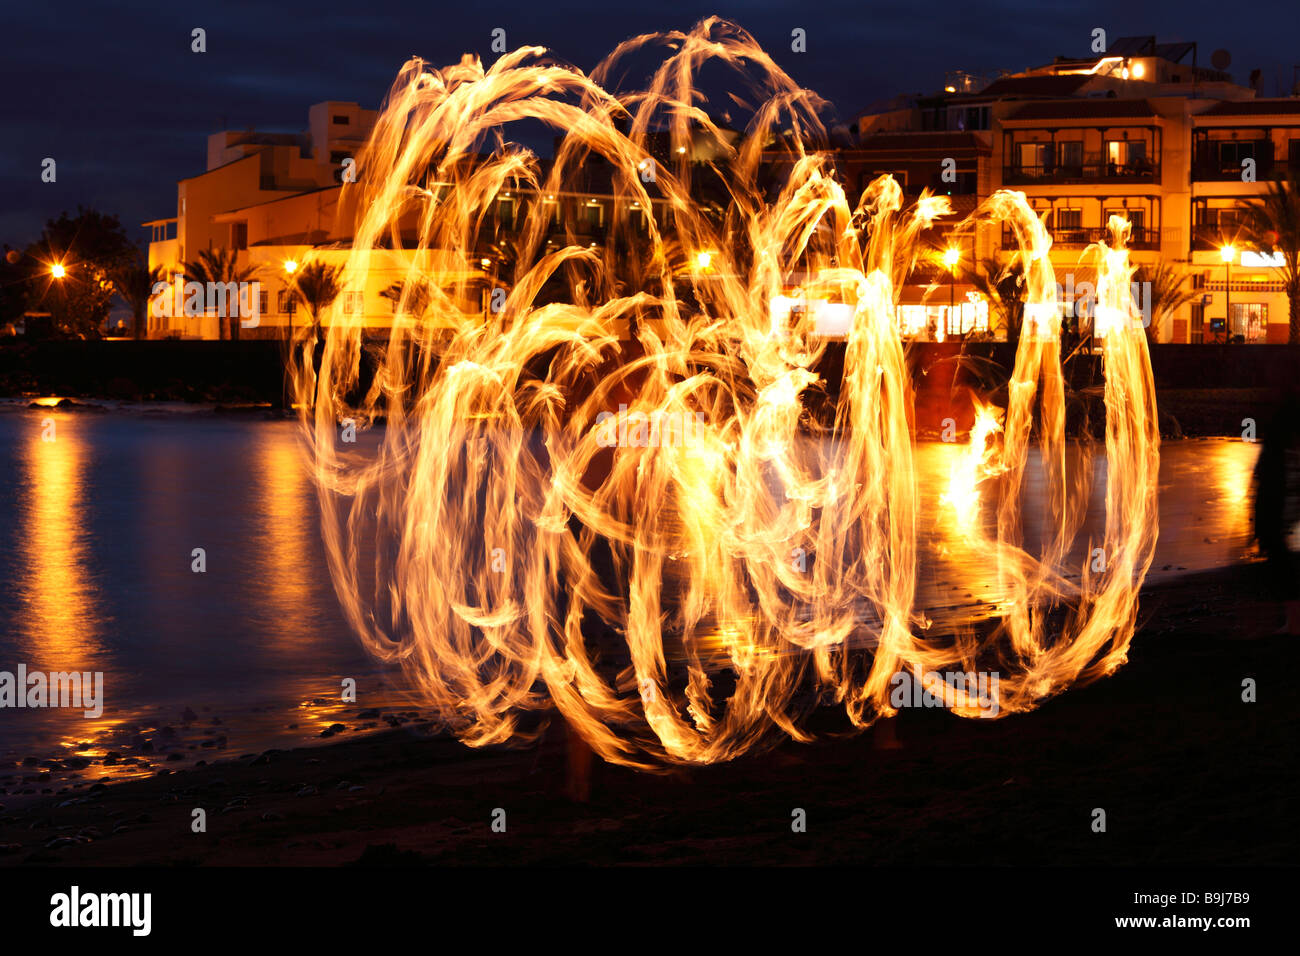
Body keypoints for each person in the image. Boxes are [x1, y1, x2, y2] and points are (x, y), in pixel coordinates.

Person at [1252, 390, 1300, 634]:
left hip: (1279, 491)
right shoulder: (1284, 407)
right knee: (1280, 554)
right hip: (1280, 490)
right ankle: (1292, 620)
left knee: (1280, 557)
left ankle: (1294, 622)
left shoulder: (1284, 409)